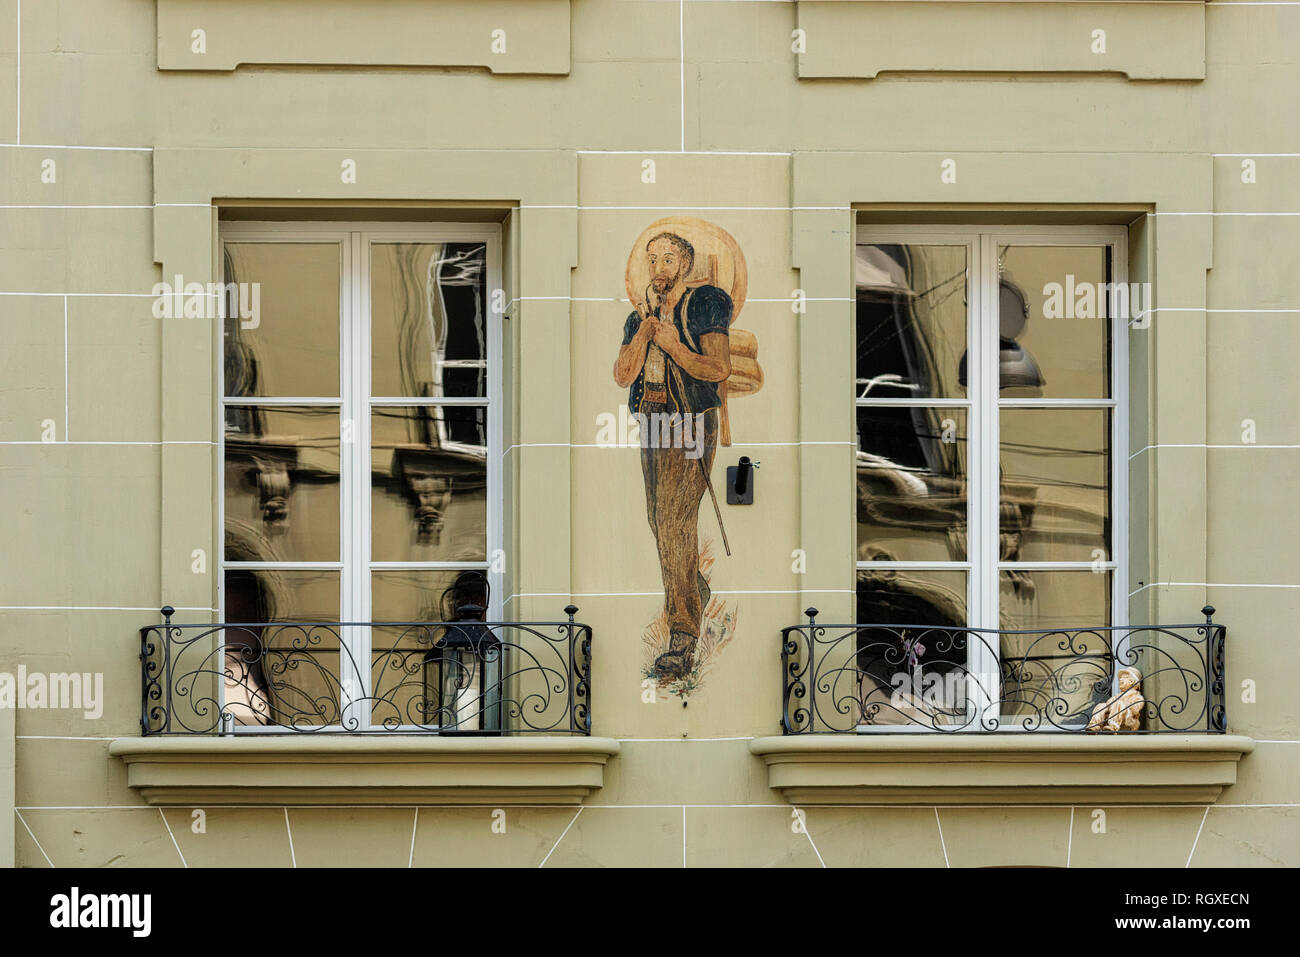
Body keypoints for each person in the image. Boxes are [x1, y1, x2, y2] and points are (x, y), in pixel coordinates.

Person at [613, 232, 732, 679]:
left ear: (684, 264)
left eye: (667, 258)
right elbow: (624, 375)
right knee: (657, 520)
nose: (658, 267)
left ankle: (682, 636)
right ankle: (692, 589)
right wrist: (645, 334)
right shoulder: (638, 318)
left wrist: (673, 345)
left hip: (691, 421)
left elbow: (718, 368)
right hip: (653, 422)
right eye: (652, 259)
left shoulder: (706, 303)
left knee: (676, 521)